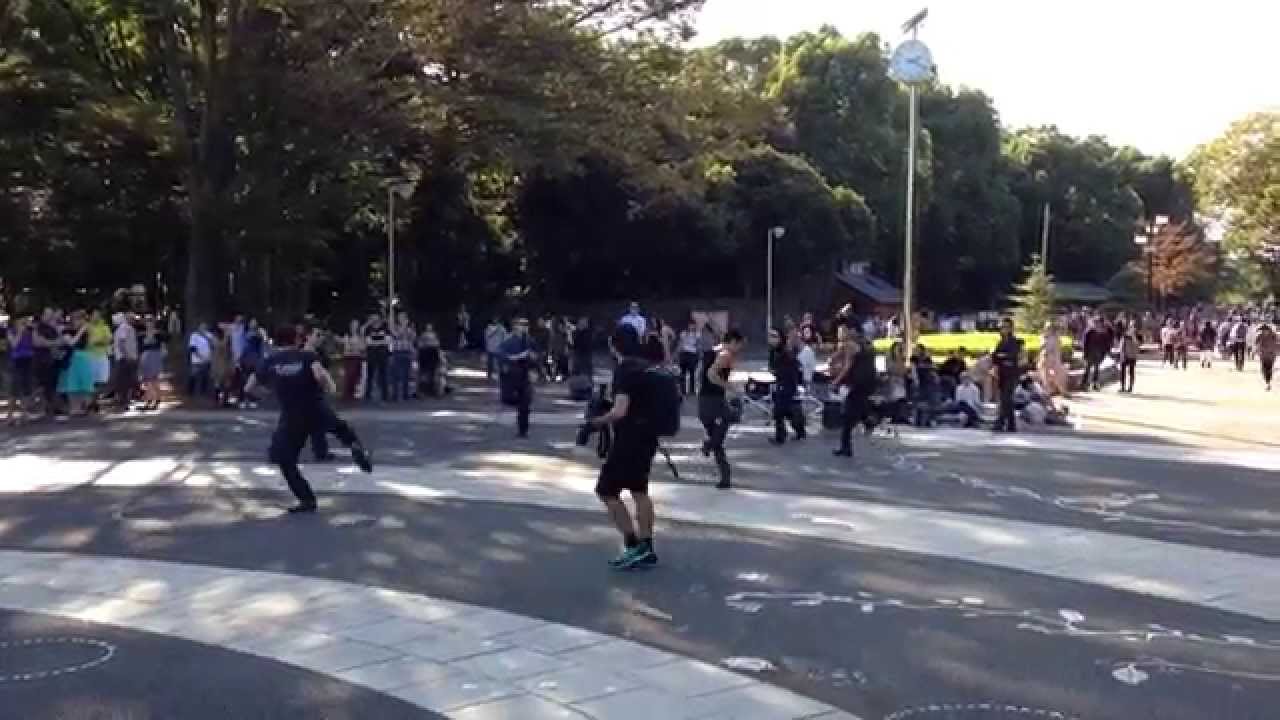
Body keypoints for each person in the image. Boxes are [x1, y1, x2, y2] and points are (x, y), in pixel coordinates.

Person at [245, 325, 373, 513]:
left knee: (285, 460)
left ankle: (307, 499)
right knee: (341, 430)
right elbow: (320, 375)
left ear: (275, 342)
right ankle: (356, 447)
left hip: (291, 415)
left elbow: (249, 387)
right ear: (296, 340)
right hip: (316, 407)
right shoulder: (306, 357)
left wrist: (268, 394)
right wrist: (330, 388)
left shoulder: (270, 361)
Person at [589, 324, 661, 570]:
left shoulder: (624, 370)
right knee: (639, 490)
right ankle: (647, 545)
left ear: (613, 345)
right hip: (648, 437)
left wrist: (597, 422)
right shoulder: (646, 367)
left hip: (628, 439)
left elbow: (620, 411)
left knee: (606, 490)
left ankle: (632, 545)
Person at [699, 328, 744, 489]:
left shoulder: (712, 351)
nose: (739, 350)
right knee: (734, 415)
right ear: (733, 342)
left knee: (717, 441)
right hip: (713, 401)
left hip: (704, 400)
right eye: (739, 346)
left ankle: (725, 478)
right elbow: (711, 374)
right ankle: (709, 445)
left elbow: (703, 373)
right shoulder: (725, 354)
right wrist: (729, 386)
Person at [832, 328, 876, 456]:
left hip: (858, 383)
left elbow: (847, 366)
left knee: (848, 415)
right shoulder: (867, 345)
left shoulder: (851, 345)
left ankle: (846, 447)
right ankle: (868, 420)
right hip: (868, 382)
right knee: (857, 407)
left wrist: (836, 381)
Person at [767, 327, 805, 445]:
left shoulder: (786, 351)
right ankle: (800, 430)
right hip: (781, 382)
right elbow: (772, 367)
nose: (771, 339)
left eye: (774, 336)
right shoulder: (773, 351)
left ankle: (780, 437)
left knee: (778, 411)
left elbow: (795, 367)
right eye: (770, 336)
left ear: (781, 338)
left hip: (787, 383)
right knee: (786, 410)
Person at [500, 317, 536, 438]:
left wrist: (534, 363)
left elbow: (536, 355)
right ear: (515, 327)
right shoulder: (509, 341)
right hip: (513, 374)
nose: (524, 327)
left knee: (525, 403)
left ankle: (523, 430)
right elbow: (504, 356)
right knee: (508, 398)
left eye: (526, 325)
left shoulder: (530, 340)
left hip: (525, 374)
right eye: (521, 325)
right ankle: (520, 416)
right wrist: (520, 356)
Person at [57, 310, 95, 418]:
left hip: (85, 356)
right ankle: (74, 408)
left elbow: (90, 344)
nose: (81, 322)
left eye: (83, 319)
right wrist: (81, 331)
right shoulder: (67, 330)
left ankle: (82, 406)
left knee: (86, 383)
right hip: (73, 357)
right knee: (73, 384)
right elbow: (71, 343)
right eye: (78, 319)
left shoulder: (86, 331)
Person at [992, 318, 1023, 433]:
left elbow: (1012, 357)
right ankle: (1011, 424)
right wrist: (1001, 357)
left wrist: (1002, 357)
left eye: (1005, 327)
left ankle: (999, 423)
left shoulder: (1014, 342)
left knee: (1006, 398)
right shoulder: (1000, 342)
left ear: (1010, 328)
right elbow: (995, 357)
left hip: (1012, 374)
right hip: (1002, 374)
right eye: (1002, 327)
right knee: (1007, 400)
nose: (1003, 329)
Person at [6, 317, 35, 426]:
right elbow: (14, 344)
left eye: (25, 321)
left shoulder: (29, 332)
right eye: (21, 321)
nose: (23, 323)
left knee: (26, 388)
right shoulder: (11, 332)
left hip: (28, 360)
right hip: (17, 361)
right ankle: (10, 416)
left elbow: (34, 343)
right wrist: (20, 332)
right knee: (14, 388)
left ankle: (24, 414)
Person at [110, 312, 139, 411]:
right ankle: (124, 401)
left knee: (124, 380)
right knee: (125, 380)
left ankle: (124, 400)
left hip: (123, 357)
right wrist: (127, 355)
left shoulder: (122, 328)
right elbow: (122, 343)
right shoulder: (124, 328)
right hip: (125, 358)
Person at [138, 316, 167, 411]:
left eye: (150, 322)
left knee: (154, 379)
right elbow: (140, 348)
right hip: (145, 357)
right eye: (147, 322)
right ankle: (149, 399)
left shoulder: (158, 334)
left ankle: (156, 399)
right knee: (147, 380)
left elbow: (163, 347)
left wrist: (162, 354)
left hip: (155, 356)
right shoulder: (142, 335)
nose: (148, 324)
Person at [363, 313, 392, 402]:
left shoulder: (385, 328)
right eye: (372, 317)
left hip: (383, 355)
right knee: (370, 376)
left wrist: (375, 343)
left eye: (376, 317)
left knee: (384, 376)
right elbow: (368, 342)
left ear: (379, 318)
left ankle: (385, 396)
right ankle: (367, 395)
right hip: (371, 355)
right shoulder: (368, 329)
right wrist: (381, 342)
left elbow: (388, 341)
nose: (374, 319)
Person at [389, 312, 416, 402]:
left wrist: (409, 329)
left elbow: (412, 338)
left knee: (406, 375)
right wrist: (404, 328)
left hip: (407, 352)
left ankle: (405, 394)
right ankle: (395, 395)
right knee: (395, 375)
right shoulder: (395, 328)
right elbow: (397, 335)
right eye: (400, 317)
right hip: (397, 352)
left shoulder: (410, 329)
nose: (402, 319)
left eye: (404, 317)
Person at [1038, 321, 1069, 397]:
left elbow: (1058, 348)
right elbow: (1041, 348)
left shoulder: (1056, 337)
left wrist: (1056, 357)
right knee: (1045, 375)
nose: (1049, 329)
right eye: (1047, 328)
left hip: (1054, 358)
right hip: (1045, 358)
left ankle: (1062, 391)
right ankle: (1047, 391)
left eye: (1050, 328)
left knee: (1058, 374)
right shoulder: (1043, 337)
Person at [1082, 317, 1111, 391]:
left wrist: (1105, 352)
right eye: (1096, 322)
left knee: (1096, 368)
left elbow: (1107, 343)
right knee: (1088, 368)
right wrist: (1085, 353)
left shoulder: (1104, 332)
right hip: (1090, 352)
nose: (1097, 324)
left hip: (1099, 353)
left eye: (1099, 322)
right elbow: (1085, 343)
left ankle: (1094, 383)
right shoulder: (1090, 332)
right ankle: (1084, 383)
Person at [340, 319, 365, 402]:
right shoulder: (347, 336)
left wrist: (354, 347)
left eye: (356, 325)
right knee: (349, 375)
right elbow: (346, 348)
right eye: (353, 325)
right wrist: (355, 347)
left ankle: (353, 394)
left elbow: (362, 347)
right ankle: (346, 395)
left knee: (356, 376)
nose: (354, 327)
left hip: (357, 357)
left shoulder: (360, 336)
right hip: (349, 358)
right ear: (350, 326)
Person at [187, 321, 213, 399]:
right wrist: (199, 356)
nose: (203, 328)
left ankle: (203, 391)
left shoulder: (209, 335)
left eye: (205, 326)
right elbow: (192, 348)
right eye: (202, 326)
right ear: (199, 327)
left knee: (205, 376)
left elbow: (213, 346)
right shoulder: (194, 335)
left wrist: (209, 356)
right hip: (196, 360)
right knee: (193, 375)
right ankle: (190, 391)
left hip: (207, 359)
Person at [417, 323, 443, 397]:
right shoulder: (423, 336)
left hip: (433, 356)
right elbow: (420, 345)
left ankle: (432, 390)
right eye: (428, 328)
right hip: (424, 356)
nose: (429, 329)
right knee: (424, 374)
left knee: (433, 374)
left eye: (430, 328)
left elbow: (437, 346)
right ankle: (423, 391)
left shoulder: (434, 336)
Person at [677, 320, 700, 396]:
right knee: (682, 373)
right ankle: (682, 390)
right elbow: (680, 344)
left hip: (692, 354)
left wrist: (698, 353)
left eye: (693, 325)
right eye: (690, 325)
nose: (691, 326)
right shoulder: (683, 333)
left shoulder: (697, 334)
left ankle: (692, 391)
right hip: (684, 354)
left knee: (692, 373)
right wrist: (678, 353)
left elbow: (698, 345)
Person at [1118, 324, 1140, 393]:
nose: (1132, 328)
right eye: (1130, 327)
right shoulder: (1124, 336)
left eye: (1133, 327)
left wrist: (1133, 336)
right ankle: (1122, 387)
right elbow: (1121, 345)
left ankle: (1130, 387)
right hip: (1124, 356)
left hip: (1132, 356)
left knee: (1131, 372)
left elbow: (1138, 344)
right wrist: (1122, 354)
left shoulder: (1138, 336)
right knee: (1122, 372)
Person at [1257, 323, 1278, 391]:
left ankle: (1268, 383)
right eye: (1263, 330)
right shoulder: (1260, 335)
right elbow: (1256, 343)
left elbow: (1277, 343)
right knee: (1263, 369)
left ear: (1268, 330)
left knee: (1269, 369)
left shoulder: (1274, 335)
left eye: (1265, 330)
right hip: (1263, 355)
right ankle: (1267, 382)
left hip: (1271, 355)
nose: (1264, 331)